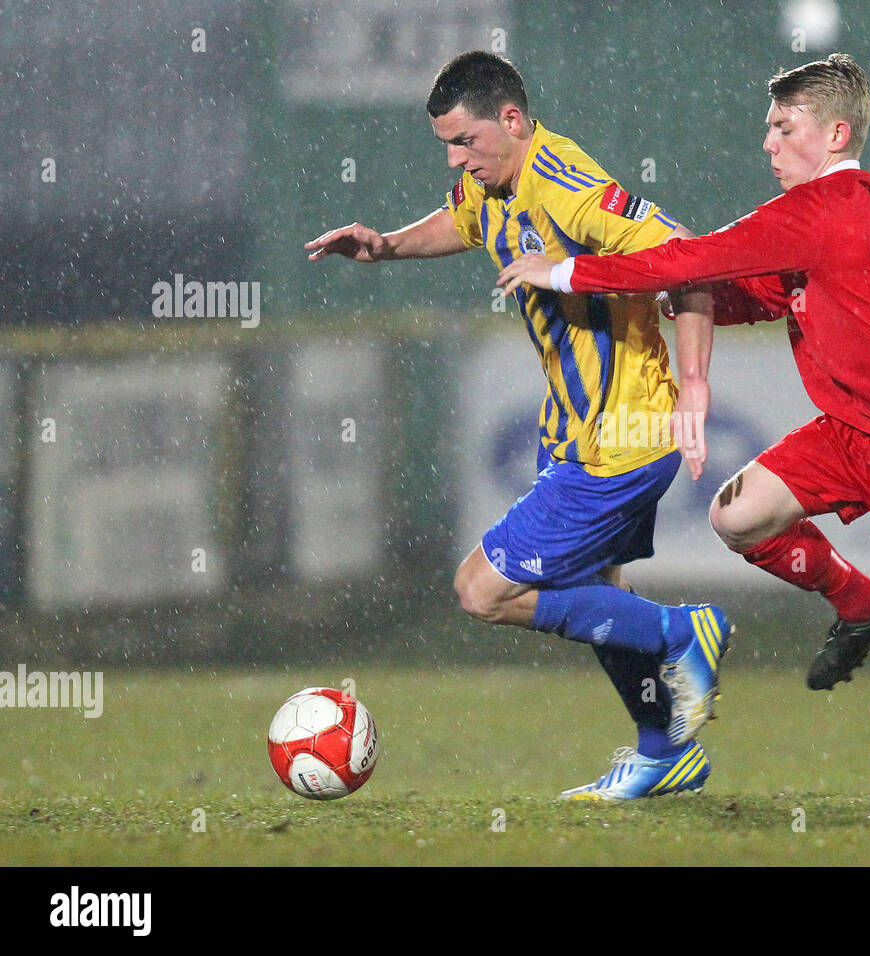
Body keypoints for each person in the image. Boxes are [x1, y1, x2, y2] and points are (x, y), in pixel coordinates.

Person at [499, 53, 870, 800]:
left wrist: (562, 273)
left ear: (836, 133)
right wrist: (674, 304)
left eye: (785, 127)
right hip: (852, 433)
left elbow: (692, 257)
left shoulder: (825, 208)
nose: (769, 142)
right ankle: (864, 604)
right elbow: (741, 289)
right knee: (738, 514)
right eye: (768, 127)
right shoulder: (830, 217)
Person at [304, 51, 730, 801]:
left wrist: (693, 384)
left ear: (512, 120)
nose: (455, 159)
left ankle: (680, 635)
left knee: (482, 590)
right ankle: (667, 753)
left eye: (465, 141)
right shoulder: (488, 187)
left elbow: (691, 261)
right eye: (445, 145)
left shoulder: (565, 187)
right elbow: (463, 222)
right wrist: (387, 245)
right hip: (576, 430)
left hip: (622, 438)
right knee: (599, 593)